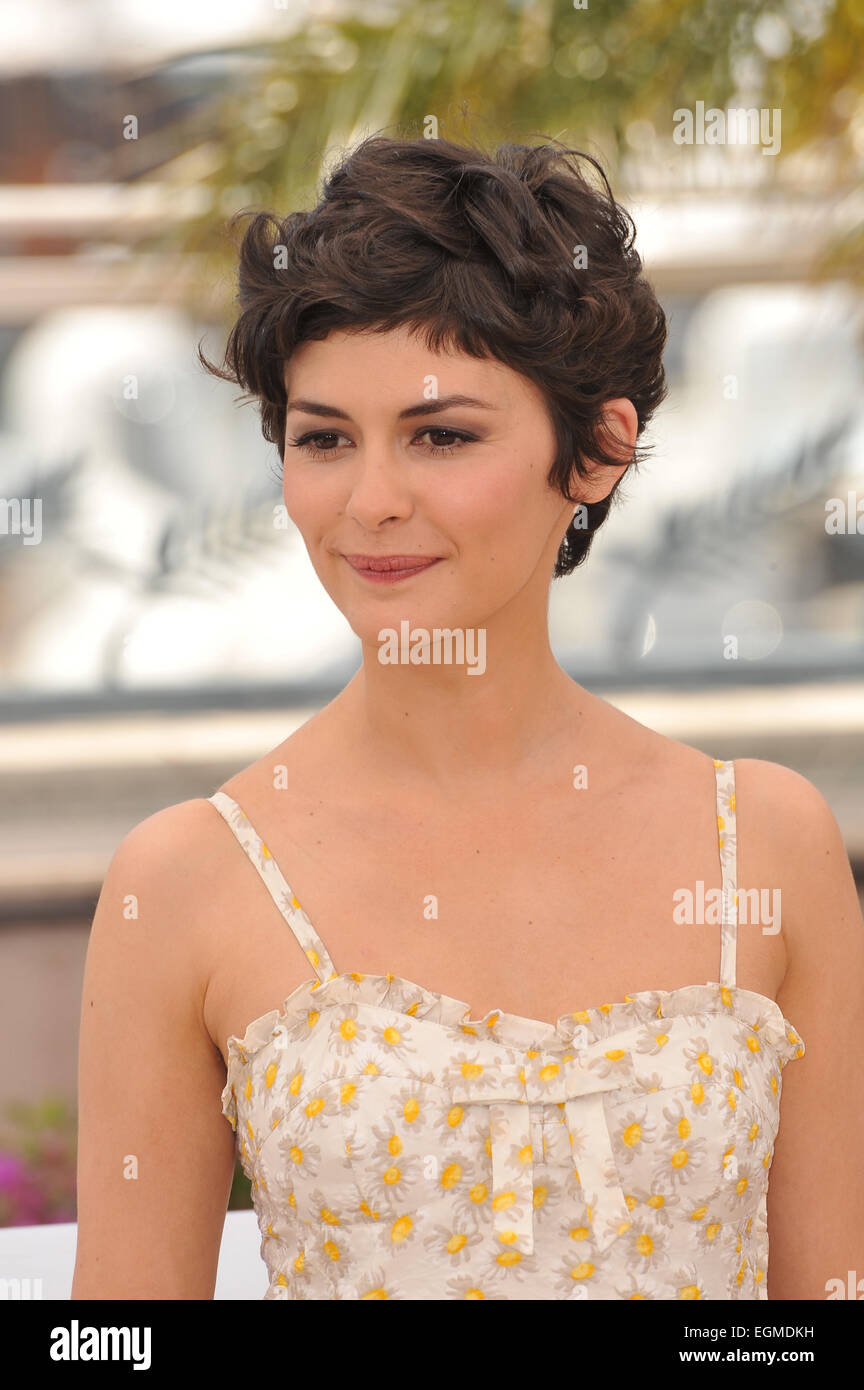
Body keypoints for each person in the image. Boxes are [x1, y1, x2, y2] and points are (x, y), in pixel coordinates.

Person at [72, 133, 864, 1300]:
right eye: (324, 438)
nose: (372, 501)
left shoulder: (767, 844)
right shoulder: (186, 879)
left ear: (598, 450)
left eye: (441, 435)